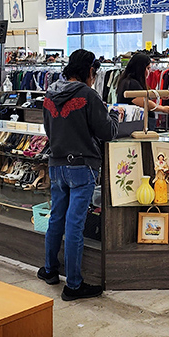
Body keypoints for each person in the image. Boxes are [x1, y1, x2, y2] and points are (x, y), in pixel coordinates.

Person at [39, 49, 119, 301]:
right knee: (75, 225)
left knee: (56, 218)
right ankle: (73, 285)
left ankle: (49, 270)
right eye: (94, 73)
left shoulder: (50, 93)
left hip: (56, 164)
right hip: (81, 166)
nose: (94, 78)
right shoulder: (88, 95)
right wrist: (114, 116)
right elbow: (107, 132)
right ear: (89, 71)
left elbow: (48, 129)